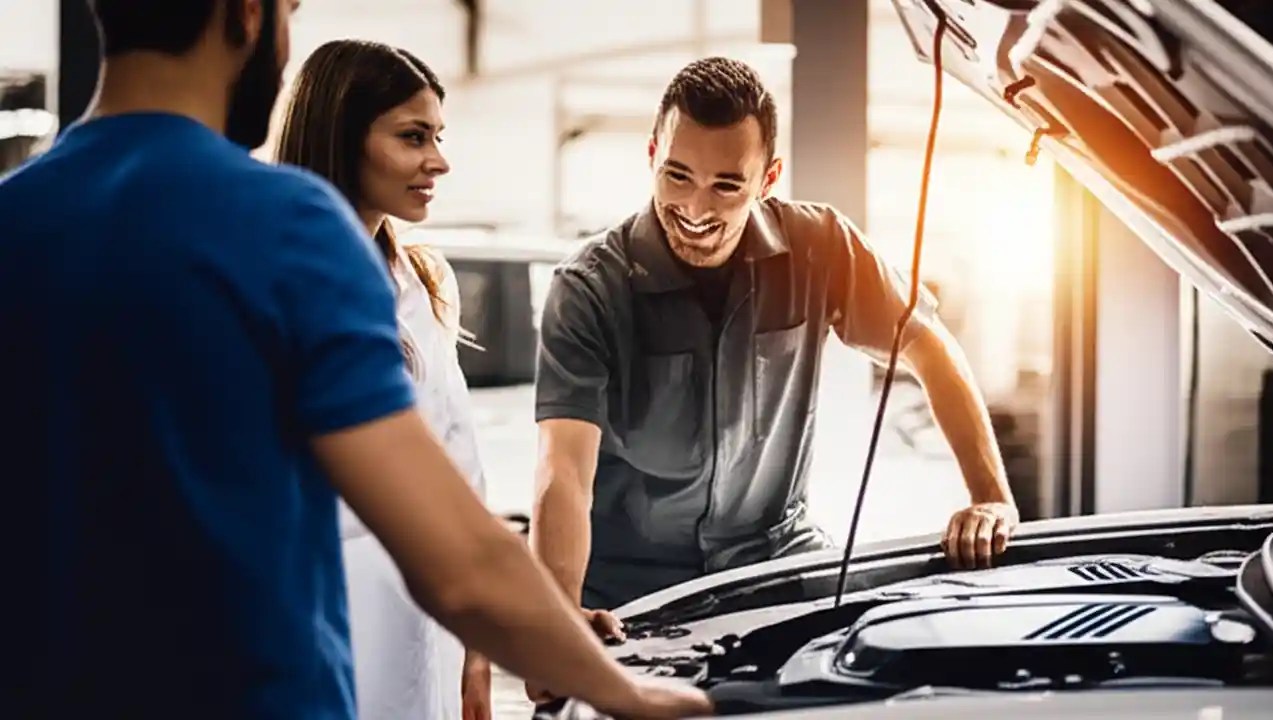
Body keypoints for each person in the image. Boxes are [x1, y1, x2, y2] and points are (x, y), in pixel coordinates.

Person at [0, 2, 712, 718]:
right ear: (247, 13)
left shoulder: (16, 218)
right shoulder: (286, 226)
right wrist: (626, 693)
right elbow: (458, 557)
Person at [531, 57, 1020, 628]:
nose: (695, 208)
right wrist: (558, 616)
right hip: (632, 593)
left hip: (774, 565)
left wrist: (991, 496)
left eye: (727, 185)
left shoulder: (820, 246)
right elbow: (562, 467)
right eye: (677, 175)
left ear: (768, 178)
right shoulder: (588, 288)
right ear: (651, 156)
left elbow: (929, 348)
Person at [274, 40, 489, 720]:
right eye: (413, 137)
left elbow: (461, 460)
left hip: (429, 616)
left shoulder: (423, 279)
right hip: (320, 613)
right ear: (342, 134)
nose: (439, 160)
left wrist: (478, 642)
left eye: (439, 136)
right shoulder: (275, 275)